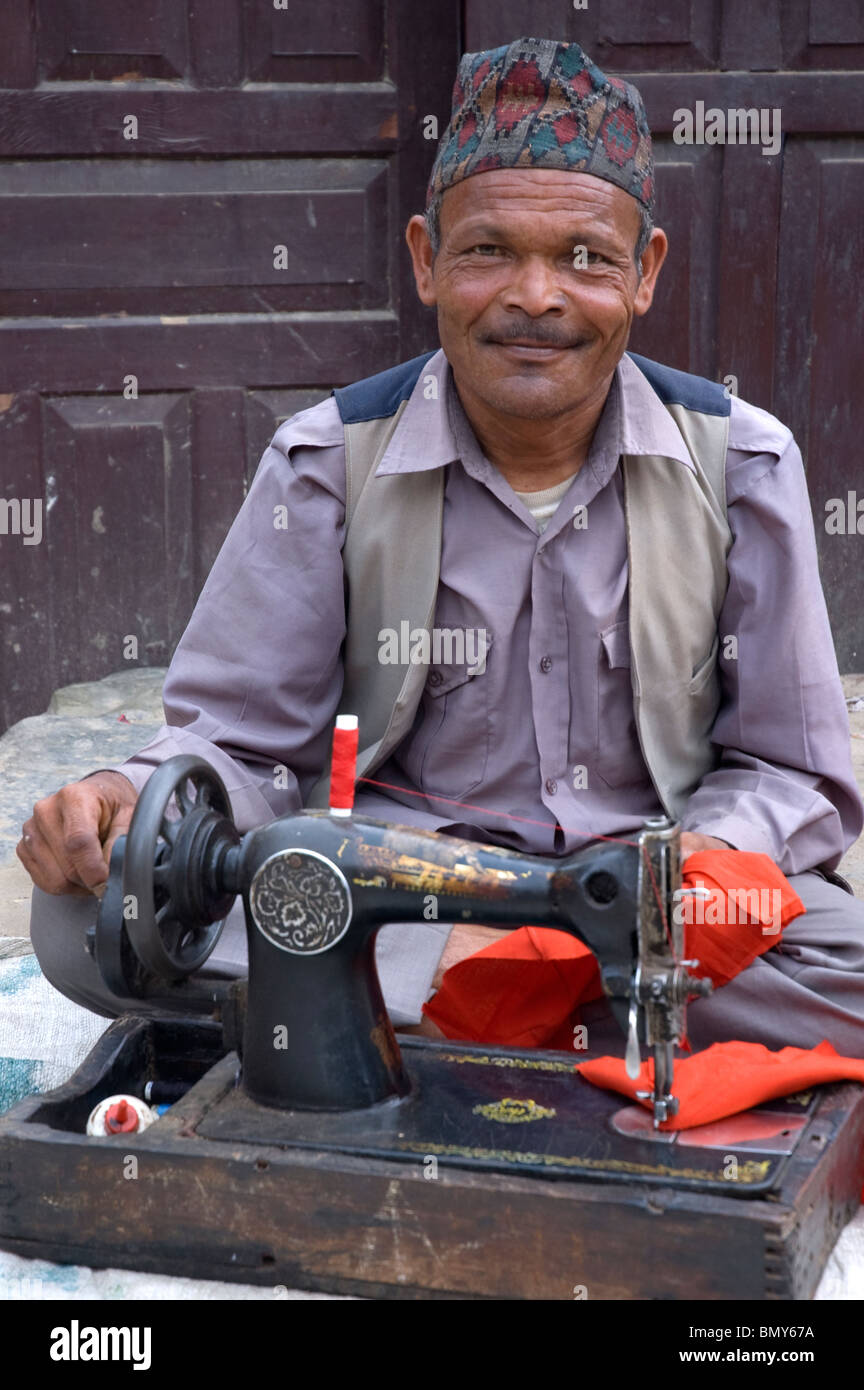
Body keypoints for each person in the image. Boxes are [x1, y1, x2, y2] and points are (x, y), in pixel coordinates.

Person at [18, 37, 864, 1055]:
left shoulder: (741, 461)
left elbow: (796, 770)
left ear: (645, 273)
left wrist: (683, 871)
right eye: (490, 250)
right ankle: (544, 1011)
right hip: (402, 898)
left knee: (826, 954)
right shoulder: (327, 462)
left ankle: (459, 1020)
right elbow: (240, 745)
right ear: (427, 259)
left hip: (656, 898)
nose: (538, 295)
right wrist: (124, 798)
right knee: (90, 924)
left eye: (586, 258)